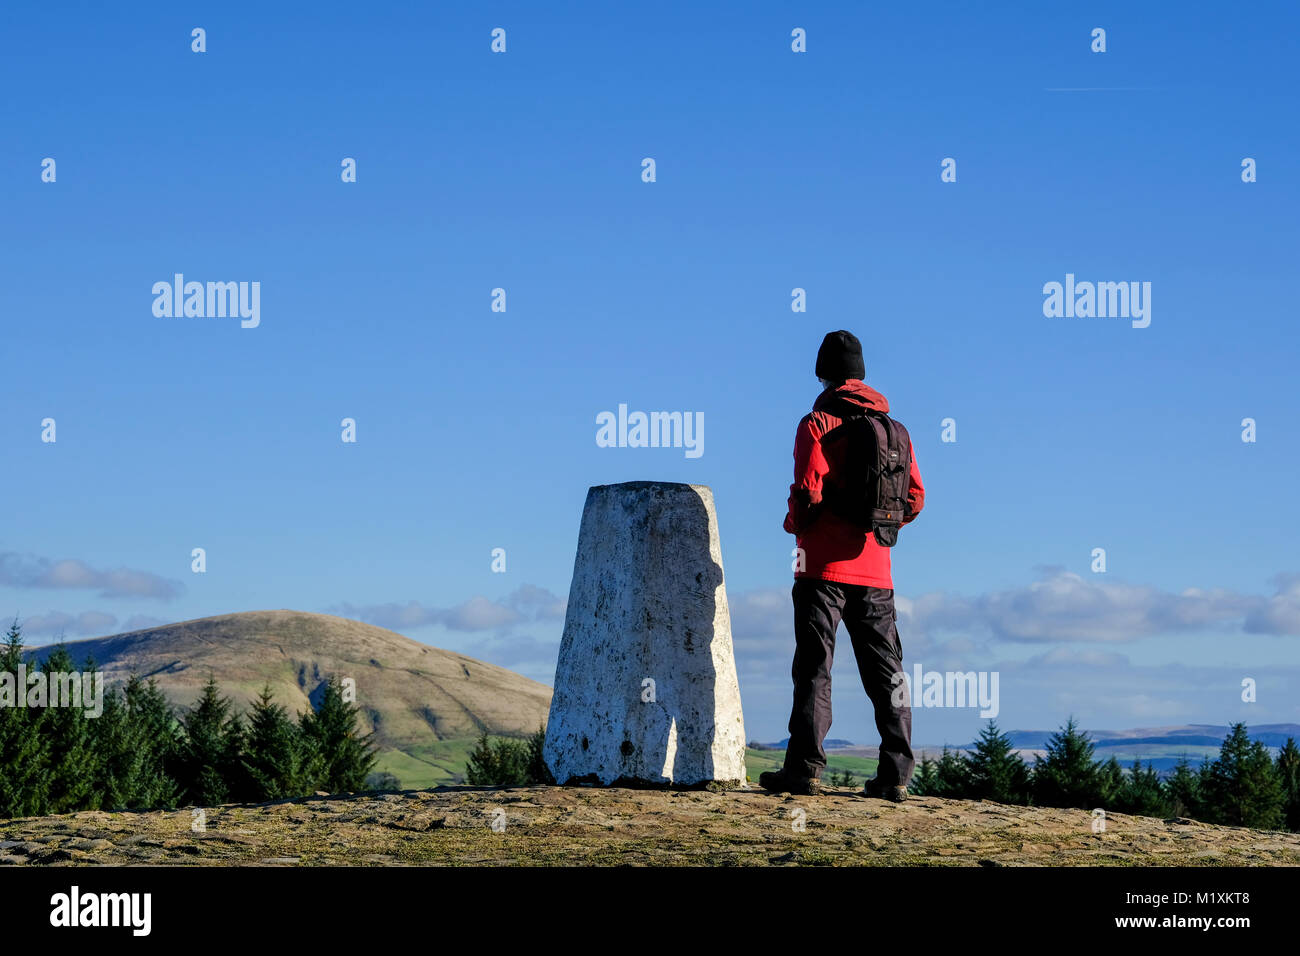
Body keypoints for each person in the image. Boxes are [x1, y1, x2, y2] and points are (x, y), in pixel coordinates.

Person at [759, 330, 925, 801]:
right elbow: (915, 497)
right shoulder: (896, 430)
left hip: (820, 569)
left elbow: (808, 489)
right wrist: (879, 529)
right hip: (877, 572)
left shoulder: (817, 422)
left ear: (822, 372)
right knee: (887, 672)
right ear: (862, 374)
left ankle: (805, 771)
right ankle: (895, 776)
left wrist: (797, 525)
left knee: (815, 669)